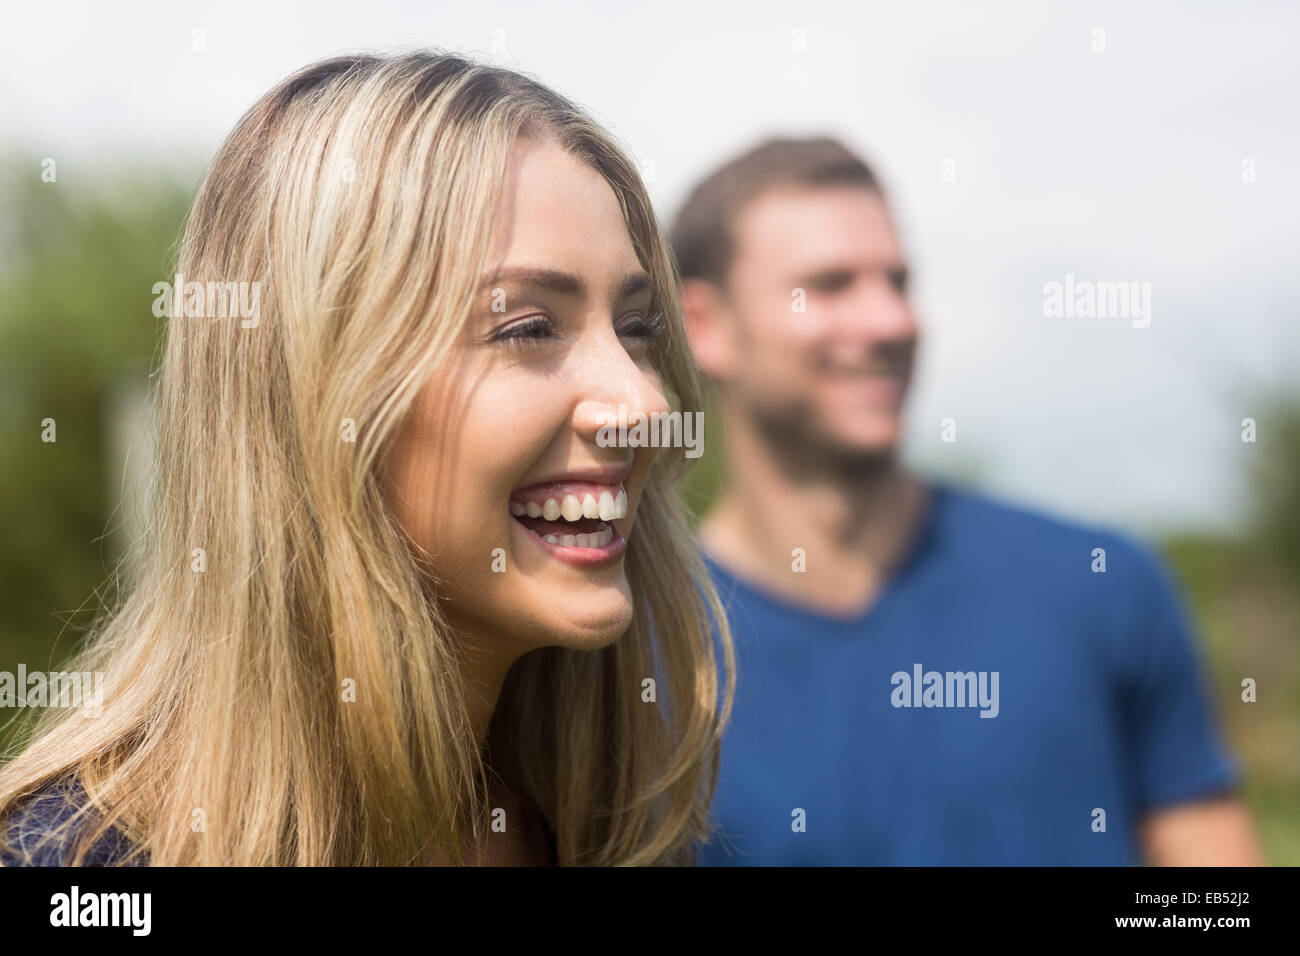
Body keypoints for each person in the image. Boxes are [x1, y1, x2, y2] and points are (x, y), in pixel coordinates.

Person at [0, 52, 734, 867]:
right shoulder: (73, 867)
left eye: (636, 329)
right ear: (311, 389)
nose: (644, 405)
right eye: (529, 328)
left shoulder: (616, 831)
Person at [672, 136, 1263, 865]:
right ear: (706, 326)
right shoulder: (644, 653)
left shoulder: (1100, 587)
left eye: (898, 282)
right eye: (830, 285)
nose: (891, 321)